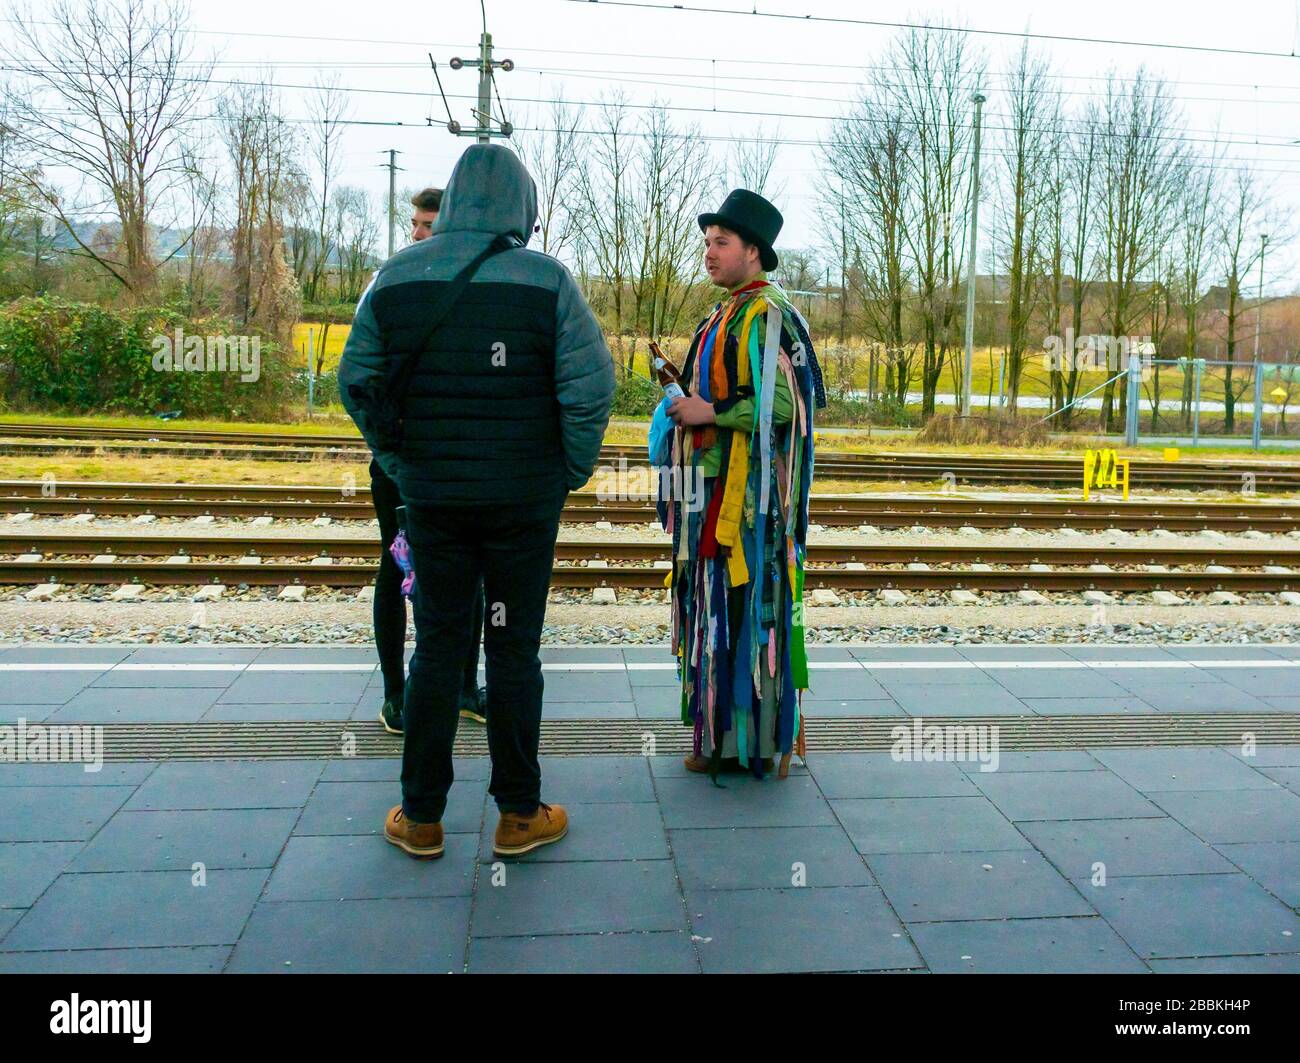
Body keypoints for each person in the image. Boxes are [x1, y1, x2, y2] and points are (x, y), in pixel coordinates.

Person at [339, 144, 614, 860]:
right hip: (524, 501)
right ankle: (519, 815)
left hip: (432, 498)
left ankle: (421, 816)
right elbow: (591, 388)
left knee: (436, 646)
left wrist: (403, 463)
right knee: (514, 650)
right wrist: (567, 469)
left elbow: (356, 381)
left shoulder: (396, 276)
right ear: (523, 204)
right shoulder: (548, 280)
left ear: (455, 199)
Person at [659, 187, 826, 784]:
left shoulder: (769, 315)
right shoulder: (726, 312)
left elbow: (785, 404)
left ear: (753, 252)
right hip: (712, 496)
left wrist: (709, 411)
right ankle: (718, 733)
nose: (708, 252)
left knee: (743, 611)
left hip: (749, 507)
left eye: (720, 243)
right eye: (706, 242)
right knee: (714, 610)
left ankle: (749, 740)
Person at [368, 186, 489, 735]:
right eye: (416, 223)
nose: (419, 233)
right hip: (403, 461)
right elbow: (360, 378)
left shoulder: (476, 282)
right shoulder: (390, 281)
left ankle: (463, 687)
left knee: (472, 571)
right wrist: (388, 451)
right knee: (395, 567)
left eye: (429, 225)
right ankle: (397, 696)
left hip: (459, 457)